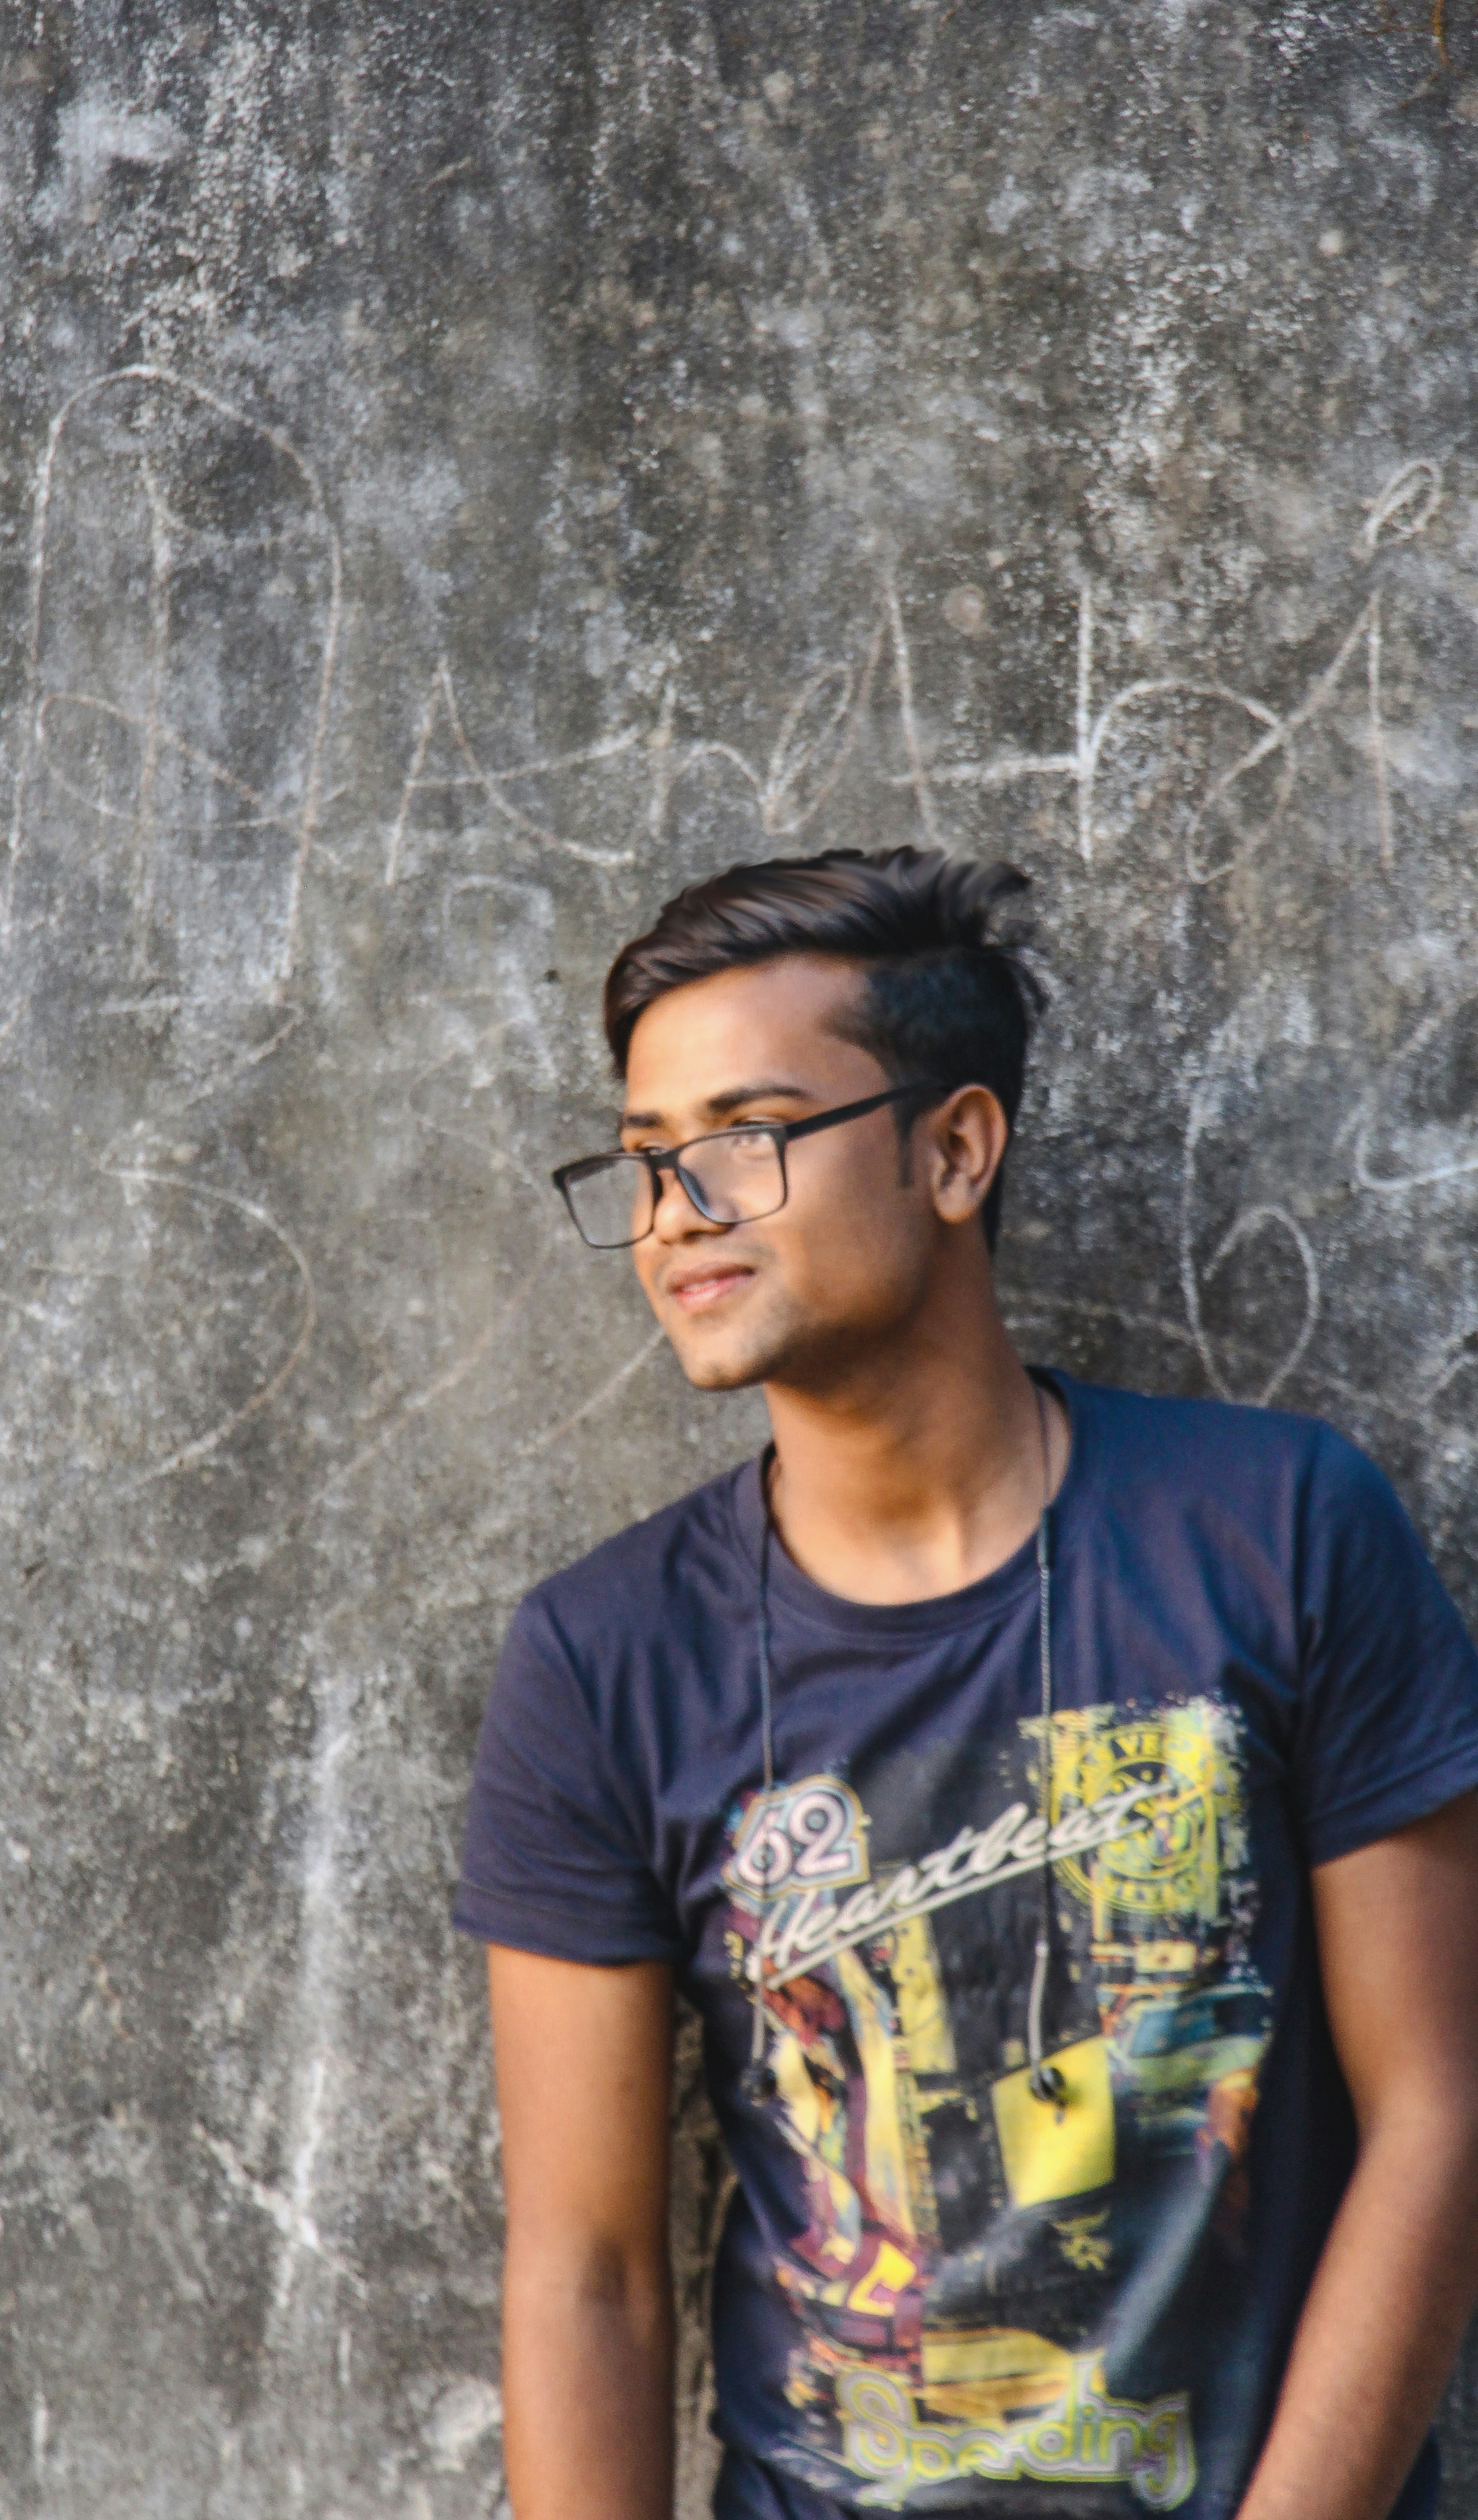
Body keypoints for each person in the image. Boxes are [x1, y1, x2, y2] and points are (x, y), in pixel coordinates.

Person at [453, 845, 1478, 2520]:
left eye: (745, 1138)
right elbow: (588, 2274)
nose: (674, 1211)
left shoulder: (1279, 1532)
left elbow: (1438, 2113)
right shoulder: (604, 1658)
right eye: (643, 1159)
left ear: (953, 1149)